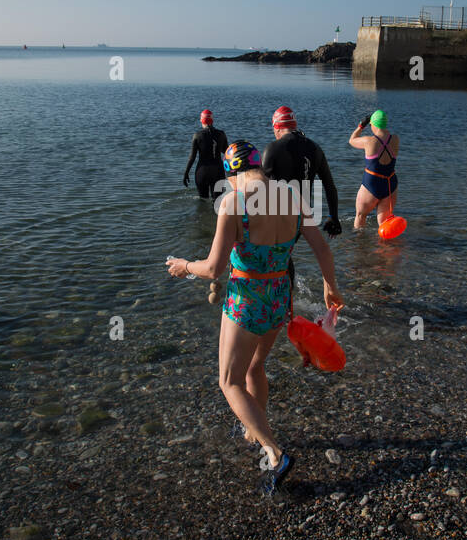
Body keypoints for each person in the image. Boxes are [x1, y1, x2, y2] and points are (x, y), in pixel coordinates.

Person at [167, 141, 343, 495]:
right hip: (280, 297)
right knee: (254, 368)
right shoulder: (292, 197)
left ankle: (274, 453)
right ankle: (252, 429)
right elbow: (322, 247)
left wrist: (184, 267)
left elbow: (214, 267)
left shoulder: (234, 201)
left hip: (247, 300)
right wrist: (330, 288)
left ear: (232, 172)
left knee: (229, 381)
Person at [262, 106, 342, 237]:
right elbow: (330, 187)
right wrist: (334, 217)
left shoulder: (272, 149)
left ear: (276, 127)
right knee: (285, 254)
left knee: (274, 255)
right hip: (302, 218)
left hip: (278, 218)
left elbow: (258, 186)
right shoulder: (315, 148)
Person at [349, 109, 399, 230]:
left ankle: (359, 246)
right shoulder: (396, 139)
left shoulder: (369, 141)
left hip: (372, 184)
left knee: (360, 217)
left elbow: (352, 140)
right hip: (390, 185)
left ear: (373, 124)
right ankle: (385, 248)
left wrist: (361, 126)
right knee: (384, 225)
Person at [183, 109, 228, 200]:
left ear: (202, 120)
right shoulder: (221, 134)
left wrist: (186, 173)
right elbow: (227, 153)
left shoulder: (197, 135)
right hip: (218, 172)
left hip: (202, 172)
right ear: (212, 121)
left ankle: (202, 214)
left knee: (203, 201)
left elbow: (192, 157)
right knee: (218, 202)